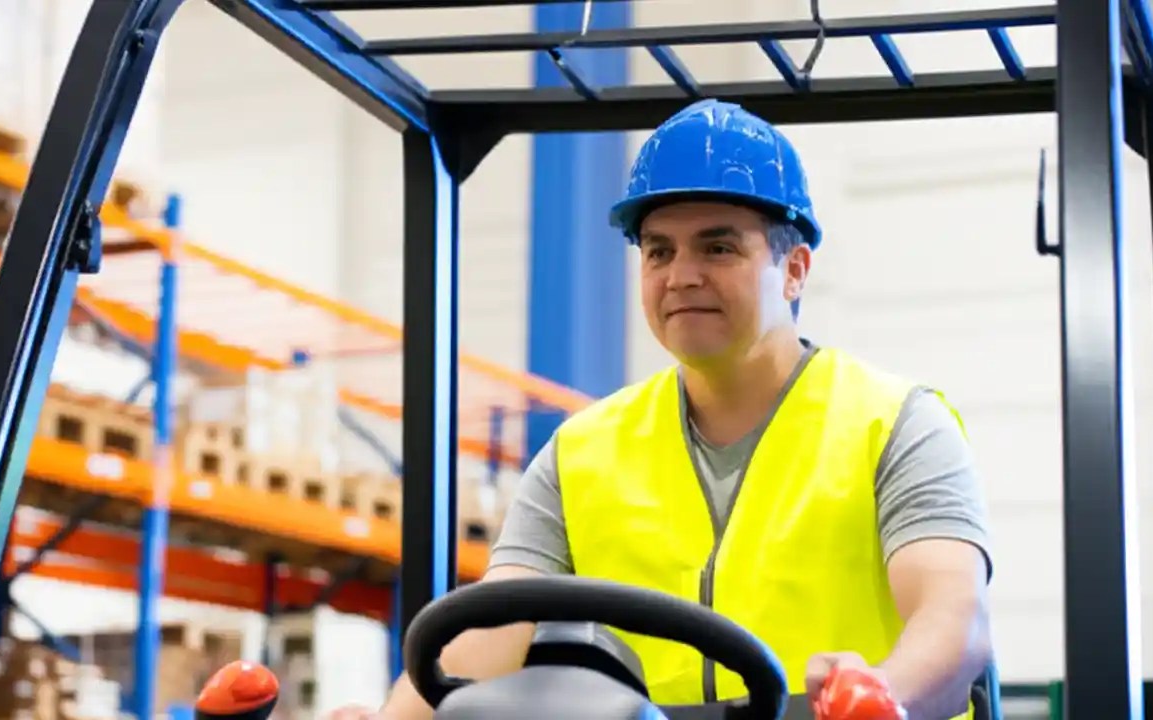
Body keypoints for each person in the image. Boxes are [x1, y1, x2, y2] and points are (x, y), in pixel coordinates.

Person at [328, 99, 994, 720]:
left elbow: (953, 623)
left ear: (794, 269)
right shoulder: (581, 452)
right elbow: (487, 636)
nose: (681, 275)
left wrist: (878, 697)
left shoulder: (893, 423)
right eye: (659, 251)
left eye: (718, 246)